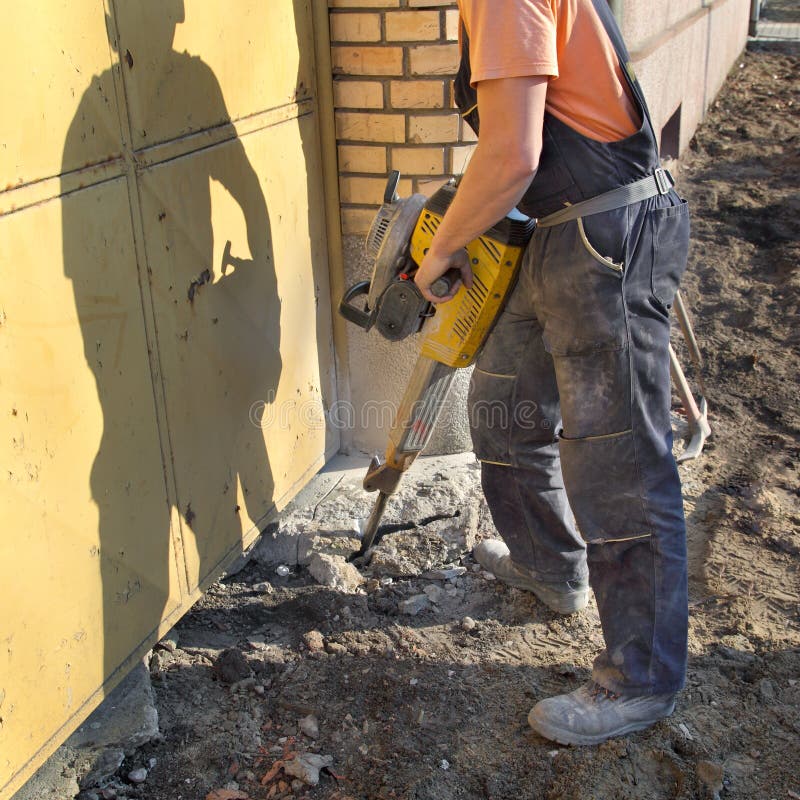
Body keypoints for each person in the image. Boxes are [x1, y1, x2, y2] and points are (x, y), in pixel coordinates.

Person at [414, 0, 690, 746]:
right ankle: (550, 566)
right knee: (503, 408)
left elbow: (512, 153)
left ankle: (642, 679)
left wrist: (441, 249)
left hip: (605, 237)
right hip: (553, 234)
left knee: (618, 466)